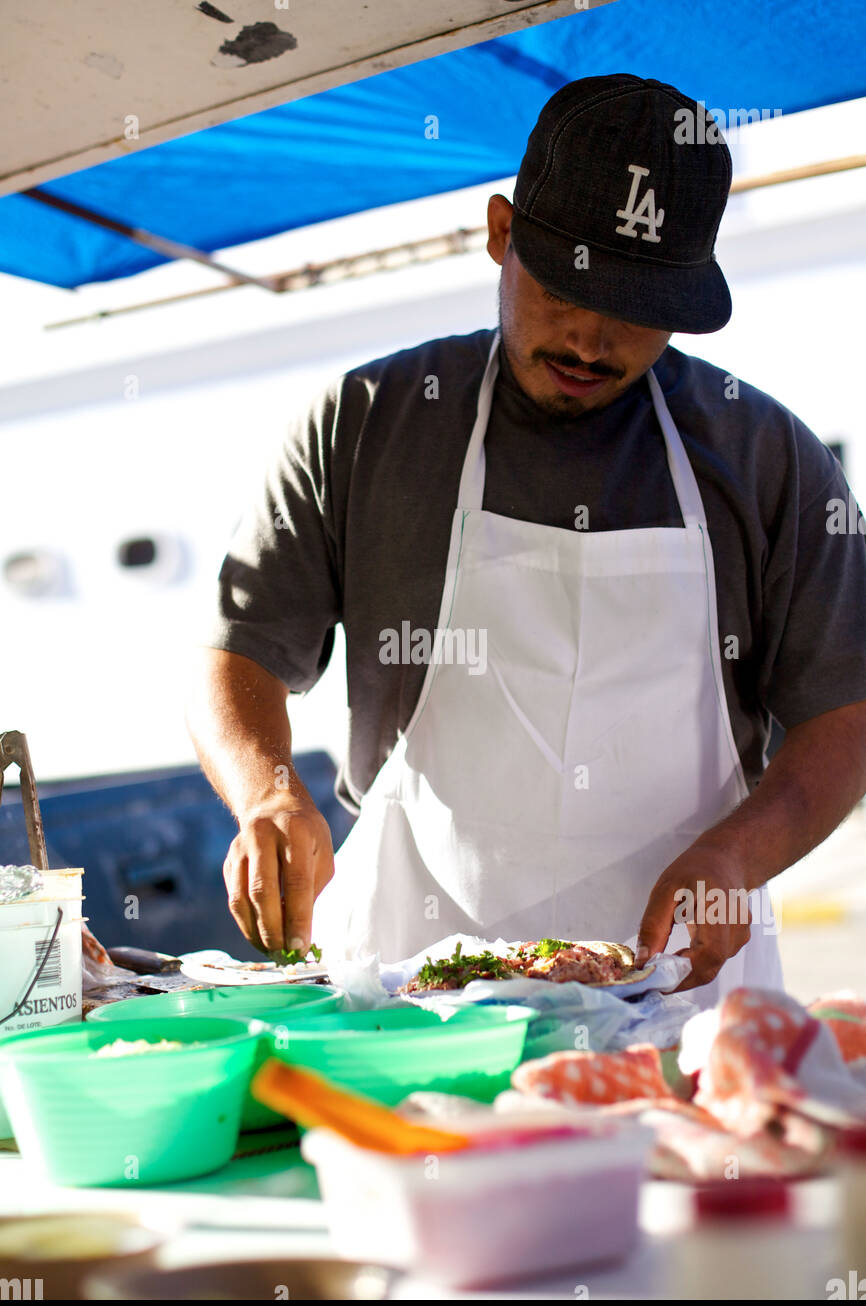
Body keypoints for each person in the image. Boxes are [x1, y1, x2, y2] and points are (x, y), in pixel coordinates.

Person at [186, 74, 866, 1006]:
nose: (592, 338)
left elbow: (846, 714)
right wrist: (265, 790)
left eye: (637, 303)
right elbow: (237, 650)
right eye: (567, 287)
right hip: (409, 1002)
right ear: (502, 233)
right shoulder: (368, 423)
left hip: (683, 1007)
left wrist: (742, 854)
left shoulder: (764, 453)